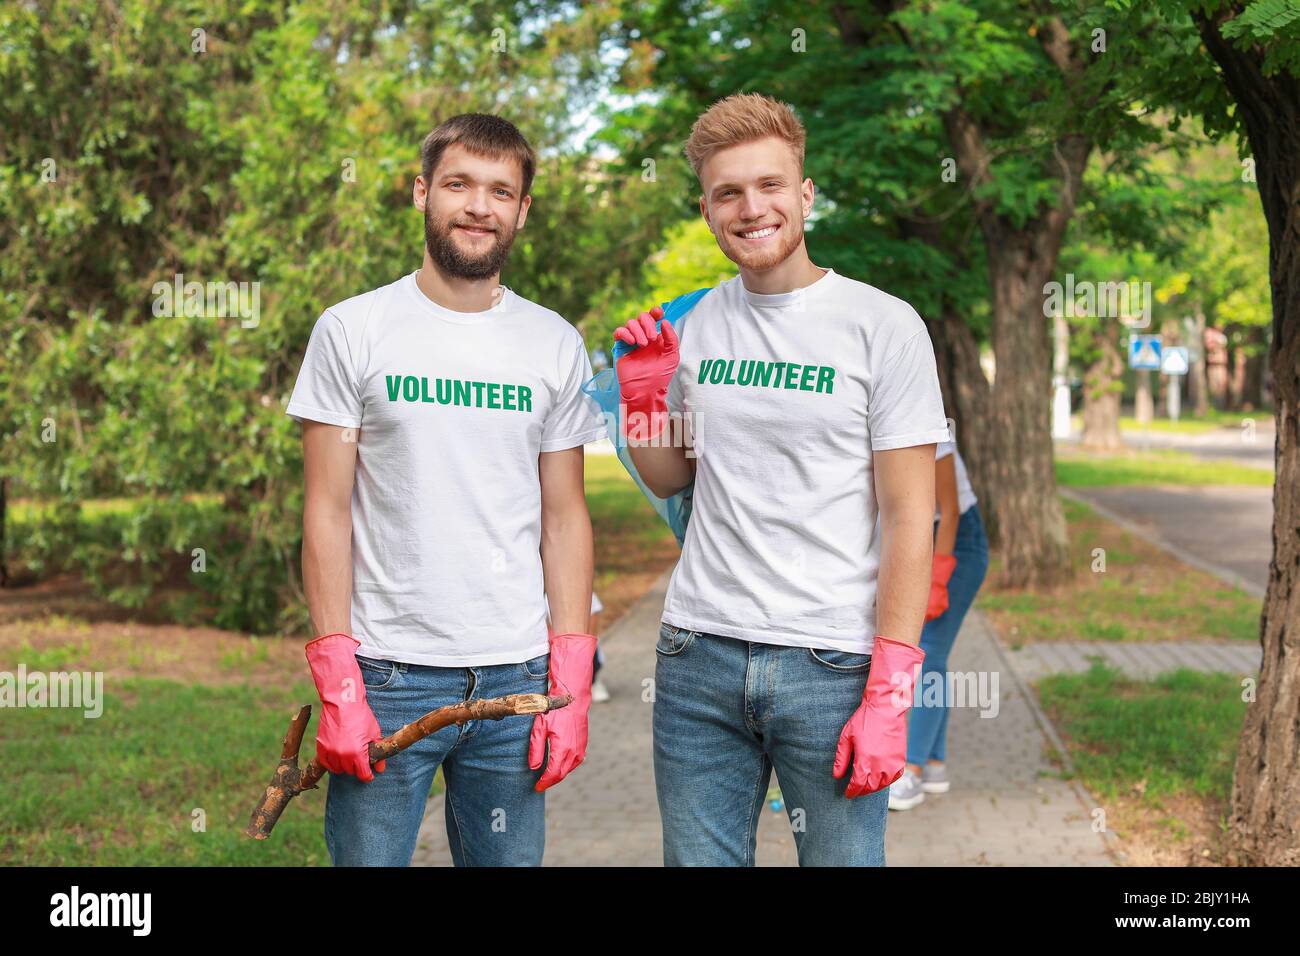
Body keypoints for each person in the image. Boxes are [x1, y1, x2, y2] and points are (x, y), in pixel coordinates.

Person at [612, 93, 948, 866]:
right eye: (729, 192)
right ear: (707, 209)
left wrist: (892, 693)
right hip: (698, 655)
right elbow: (670, 478)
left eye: (769, 186)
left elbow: (908, 516)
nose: (750, 207)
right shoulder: (697, 323)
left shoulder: (882, 325)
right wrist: (641, 396)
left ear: (805, 195)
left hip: (831, 664)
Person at [285, 113, 606, 866]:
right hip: (388, 673)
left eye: (501, 191)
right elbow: (326, 513)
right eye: (458, 184)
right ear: (422, 193)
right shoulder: (353, 329)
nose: (478, 206)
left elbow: (565, 519)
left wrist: (573, 677)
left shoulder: (553, 341)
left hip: (519, 679)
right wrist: (339, 681)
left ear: (522, 211)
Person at [888, 436, 989, 810]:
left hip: (958, 541)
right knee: (935, 653)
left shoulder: (932, 431)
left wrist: (938, 578)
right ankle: (934, 764)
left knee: (928, 651)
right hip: (921, 537)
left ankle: (910, 770)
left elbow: (950, 510)